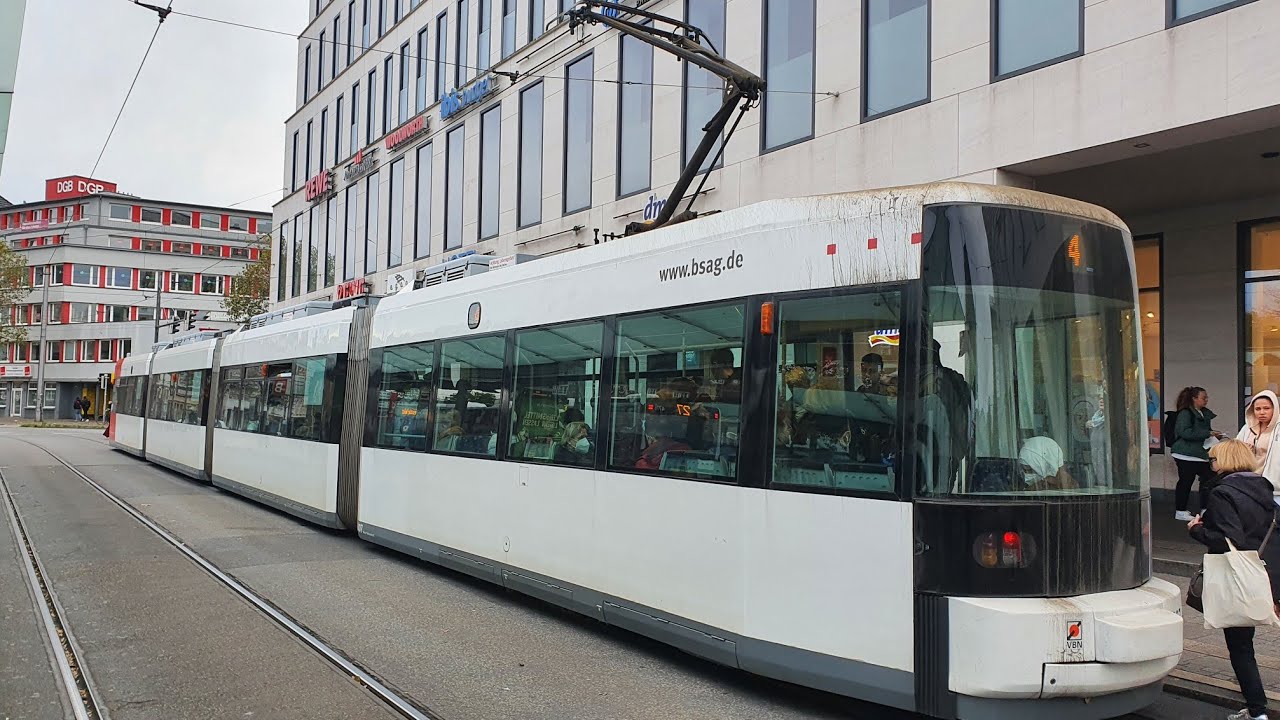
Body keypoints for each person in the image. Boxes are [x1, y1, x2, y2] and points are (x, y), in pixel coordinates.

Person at [1188, 439, 1280, 720]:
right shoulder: (1265, 489)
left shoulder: (1222, 493)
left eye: (1214, 459)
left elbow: (1231, 540)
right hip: (1268, 572)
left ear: (1225, 461)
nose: (1211, 465)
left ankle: (1257, 711)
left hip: (1239, 577)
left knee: (1241, 646)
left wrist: (1196, 530)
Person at [1172, 386, 1227, 521]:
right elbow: (1184, 432)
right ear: (1194, 399)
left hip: (1199, 453)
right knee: (1186, 482)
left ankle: (1205, 508)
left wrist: (1214, 436)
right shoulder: (1185, 413)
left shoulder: (1202, 413)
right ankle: (1181, 510)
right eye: (1204, 398)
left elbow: (1199, 432)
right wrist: (1208, 433)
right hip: (1185, 454)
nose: (1206, 400)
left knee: (1208, 480)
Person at [1238, 390, 1280, 492]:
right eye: (1257, 409)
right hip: (1249, 483)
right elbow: (1235, 451)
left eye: (1266, 408)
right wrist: (1244, 450)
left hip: (1274, 486)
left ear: (1275, 409)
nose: (1262, 412)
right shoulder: (1247, 428)